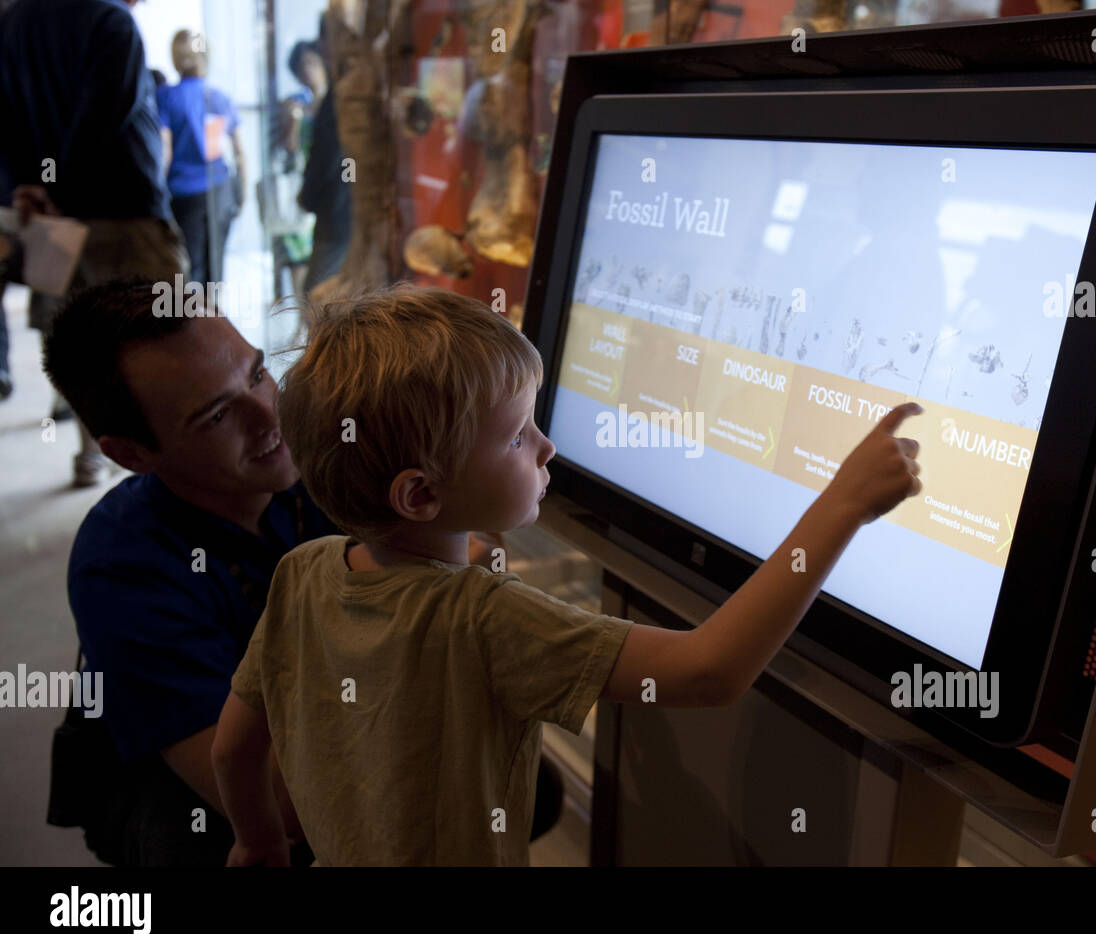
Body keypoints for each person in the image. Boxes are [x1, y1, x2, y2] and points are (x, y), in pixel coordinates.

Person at [212, 285, 923, 865]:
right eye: (517, 435)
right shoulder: (487, 618)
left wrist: (258, 839)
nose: (547, 446)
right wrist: (843, 506)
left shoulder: (302, 574)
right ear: (421, 494)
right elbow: (710, 671)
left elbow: (235, 745)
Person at [41, 280, 562, 864]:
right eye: (217, 415)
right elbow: (279, 800)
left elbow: (475, 540)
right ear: (130, 454)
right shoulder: (123, 569)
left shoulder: (317, 460)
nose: (270, 415)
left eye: (257, 374)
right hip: (194, 783)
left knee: (526, 788)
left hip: (332, 711)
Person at [0, 0, 189, 486]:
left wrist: (28, 186)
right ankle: (175, 472)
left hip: (49, 218)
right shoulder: (111, 20)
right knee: (167, 333)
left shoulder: (15, 20)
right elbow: (106, 112)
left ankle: (93, 456)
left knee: (81, 349)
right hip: (123, 210)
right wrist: (58, 185)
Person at [157, 29, 244, 289]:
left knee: (189, 269)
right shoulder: (219, 98)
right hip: (219, 189)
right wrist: (242, 193)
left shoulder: (168, 96)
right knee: (214, 270)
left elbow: (165, 151)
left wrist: (156, 191)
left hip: (184, 193)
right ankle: (212, 312)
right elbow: (239, 152)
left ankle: (194, 314)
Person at [266, 40, 327, 303]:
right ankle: (303, 316)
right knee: (299, 259)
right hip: (301, 186)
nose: (308, 71)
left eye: (312, 63)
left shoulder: (333, 103)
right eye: (302, 66)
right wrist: (293, 122)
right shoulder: (294, 104)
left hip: (328, 190)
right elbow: (289, 148)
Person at [297, 17, 351, 295]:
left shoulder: (343, 89)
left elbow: (331, 155)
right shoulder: (340, 87)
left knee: (317, 296)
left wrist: (308, 195)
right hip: (342, 207)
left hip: (340, 210)